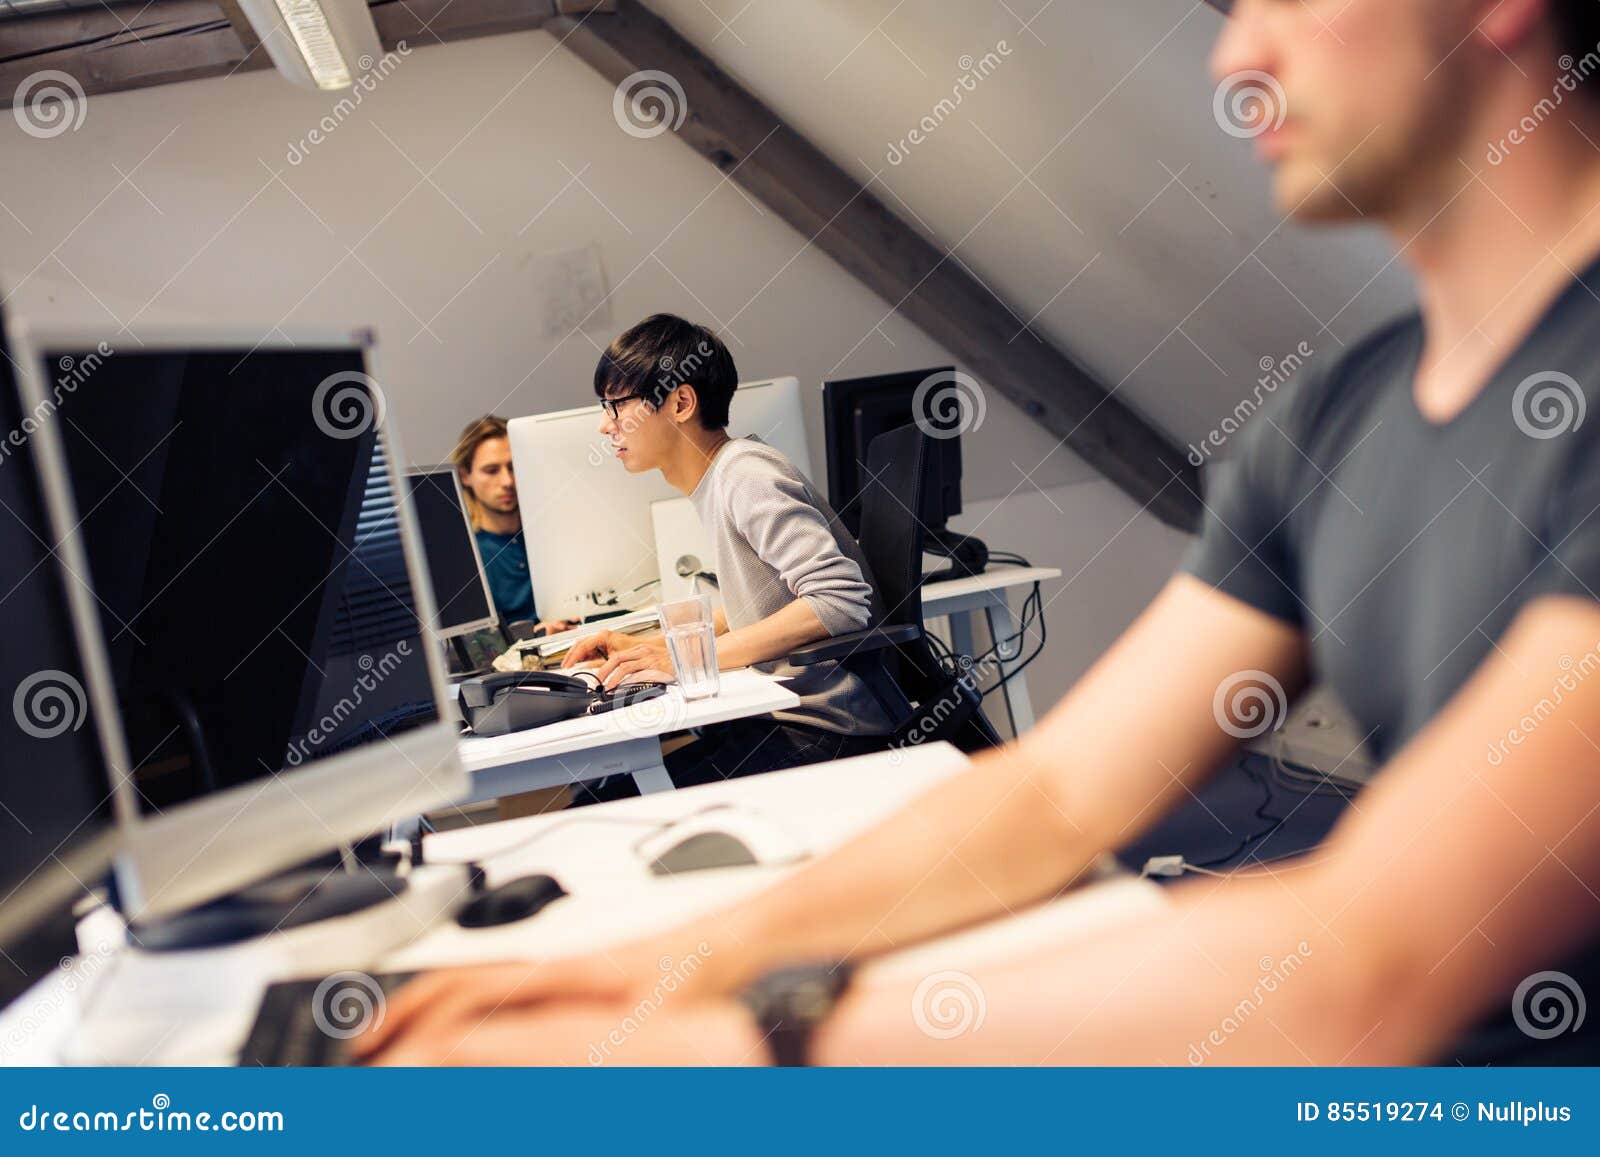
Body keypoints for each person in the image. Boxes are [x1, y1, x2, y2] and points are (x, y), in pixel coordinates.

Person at [359, 0, 1600, 1066]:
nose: (1231, 61)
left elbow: (1367, 968)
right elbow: (1061, 789)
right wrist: (665, 964)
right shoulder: (1337, 414)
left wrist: (736, 1037)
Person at [563, 314, 895, 790]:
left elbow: (840, 601)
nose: (604, 425)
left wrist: (686, 662)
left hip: (826, 733)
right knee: (608, 792)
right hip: (784, 718)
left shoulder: (744, 475)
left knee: (607, 803)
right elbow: (767, 599)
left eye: (616, 405)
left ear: (679, 402)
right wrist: (654, 648)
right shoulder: (720, 480)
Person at [449, 415, 570, 637]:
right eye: (492, 470)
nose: (507, 481)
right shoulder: (466, 557)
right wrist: (534, 634)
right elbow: (481, 647)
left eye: (514, 467)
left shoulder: (555, 535)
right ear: (465, 475)